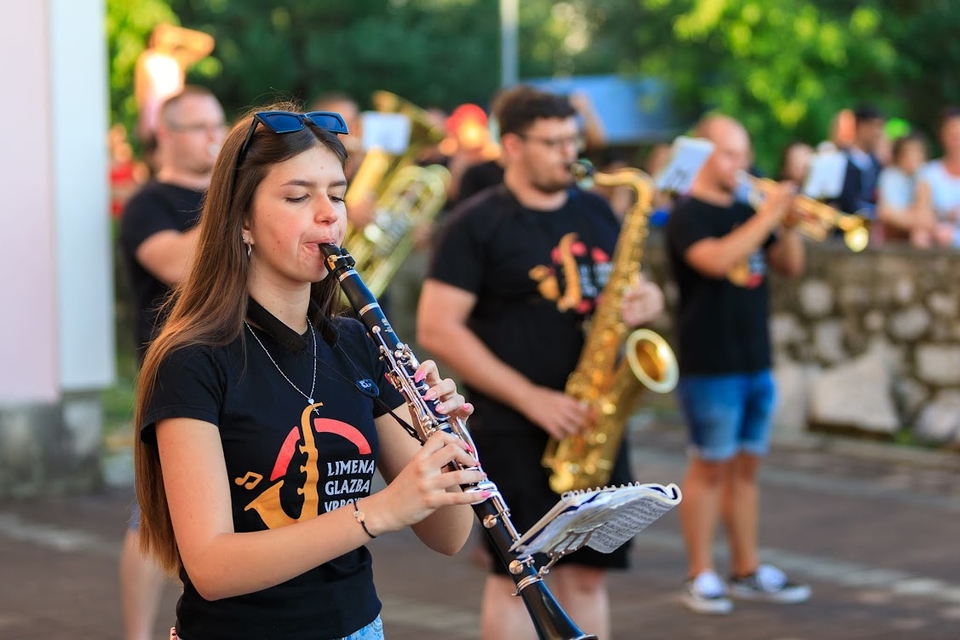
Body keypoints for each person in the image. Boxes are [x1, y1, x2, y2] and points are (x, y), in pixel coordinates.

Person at [132, 101, 482, 640]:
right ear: (242, 219)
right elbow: (211, 568)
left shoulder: (355, 343)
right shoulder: (192, 360)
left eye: (338, 196)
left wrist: (443, 439)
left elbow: (449, 535)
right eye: (298, 197)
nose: (330, 215)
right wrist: (378, 511)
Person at [416, 85, 665, 640]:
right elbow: (437, 328)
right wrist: (532, 398)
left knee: (589, 579)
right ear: (512, 145)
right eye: (552, 142)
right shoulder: (475, 224)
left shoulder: (597, 209)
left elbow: (628, 286)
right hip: (514, 426)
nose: (569, 153)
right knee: (521, 579)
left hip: (594, 419)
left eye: (572, 139)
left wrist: (650, 300)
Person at [664, 114, 811, 615]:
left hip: (754, 359)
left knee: (746, 471)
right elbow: (716, 260)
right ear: (702, 154)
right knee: (708, 467)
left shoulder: (749, 209)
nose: (742, 165)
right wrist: (771, 215)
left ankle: (746, 569)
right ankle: (699, 573)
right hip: (711, 363)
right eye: (730, 153)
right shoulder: (689, 214)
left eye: (744, 154)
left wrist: (787, 225)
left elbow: (791, 266)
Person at [117, 85, 226, 640]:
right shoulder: (148, 204)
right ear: (166, 135)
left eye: (217, 124)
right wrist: (236, 199)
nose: (214, 136)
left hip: (236, 367)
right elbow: (179, 266)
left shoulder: (231, 201)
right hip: (173, 376)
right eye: (199, 127)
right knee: (152, 520)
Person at [134, 24, 215, 157]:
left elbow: (207, 44)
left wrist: (180, 35)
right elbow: (141, 92)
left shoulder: (177, 59)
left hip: (177, 115)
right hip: (154, 118)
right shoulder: (146, 59)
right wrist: (142, 120)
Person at [915, 107, 960, 248]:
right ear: (941, 135)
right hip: (939, 237)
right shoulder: (928, 173)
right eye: (951, 133)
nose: (956, 140)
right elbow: (922, 214)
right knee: (919, 235)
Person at [877, 132, 931, 247]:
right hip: (893, 231)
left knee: (921, 235)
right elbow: (886, 212)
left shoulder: (924, 176)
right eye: (908, 154)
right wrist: (916, 220)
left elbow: (925, 212)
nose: (912, 159)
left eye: (917, 154)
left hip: (914, 227)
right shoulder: (889, 176)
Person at [834, 105, 885, 218]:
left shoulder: (878, 165)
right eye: (874, 127)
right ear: (861, 126)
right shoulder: (840, 160)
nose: (878, 133)